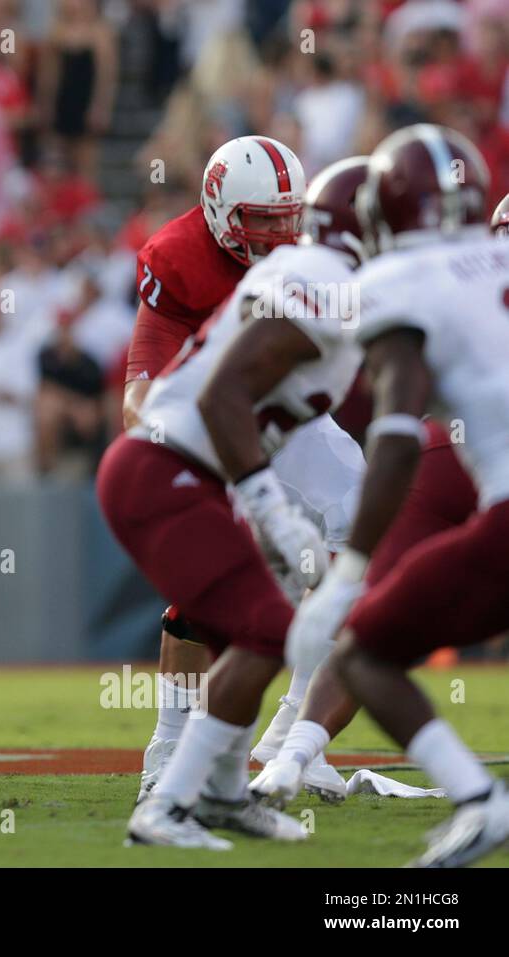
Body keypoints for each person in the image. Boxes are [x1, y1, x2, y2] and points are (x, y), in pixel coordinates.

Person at [101, 157, 370, 847]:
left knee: (352, 513)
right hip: (193, 449)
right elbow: (184, 387)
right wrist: (266, 504)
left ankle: (279, 749)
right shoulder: (286, 278)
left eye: (292, 220)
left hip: (260, 427)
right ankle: (170, 772)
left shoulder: (327, 279)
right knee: (248, 608)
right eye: (264, 221)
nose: (279, 235)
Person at [284, 125, 509, 867]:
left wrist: (348, 571)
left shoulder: (399, 282)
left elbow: (397, 435)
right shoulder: (498, 257)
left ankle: (479, 802)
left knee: (366, 650)